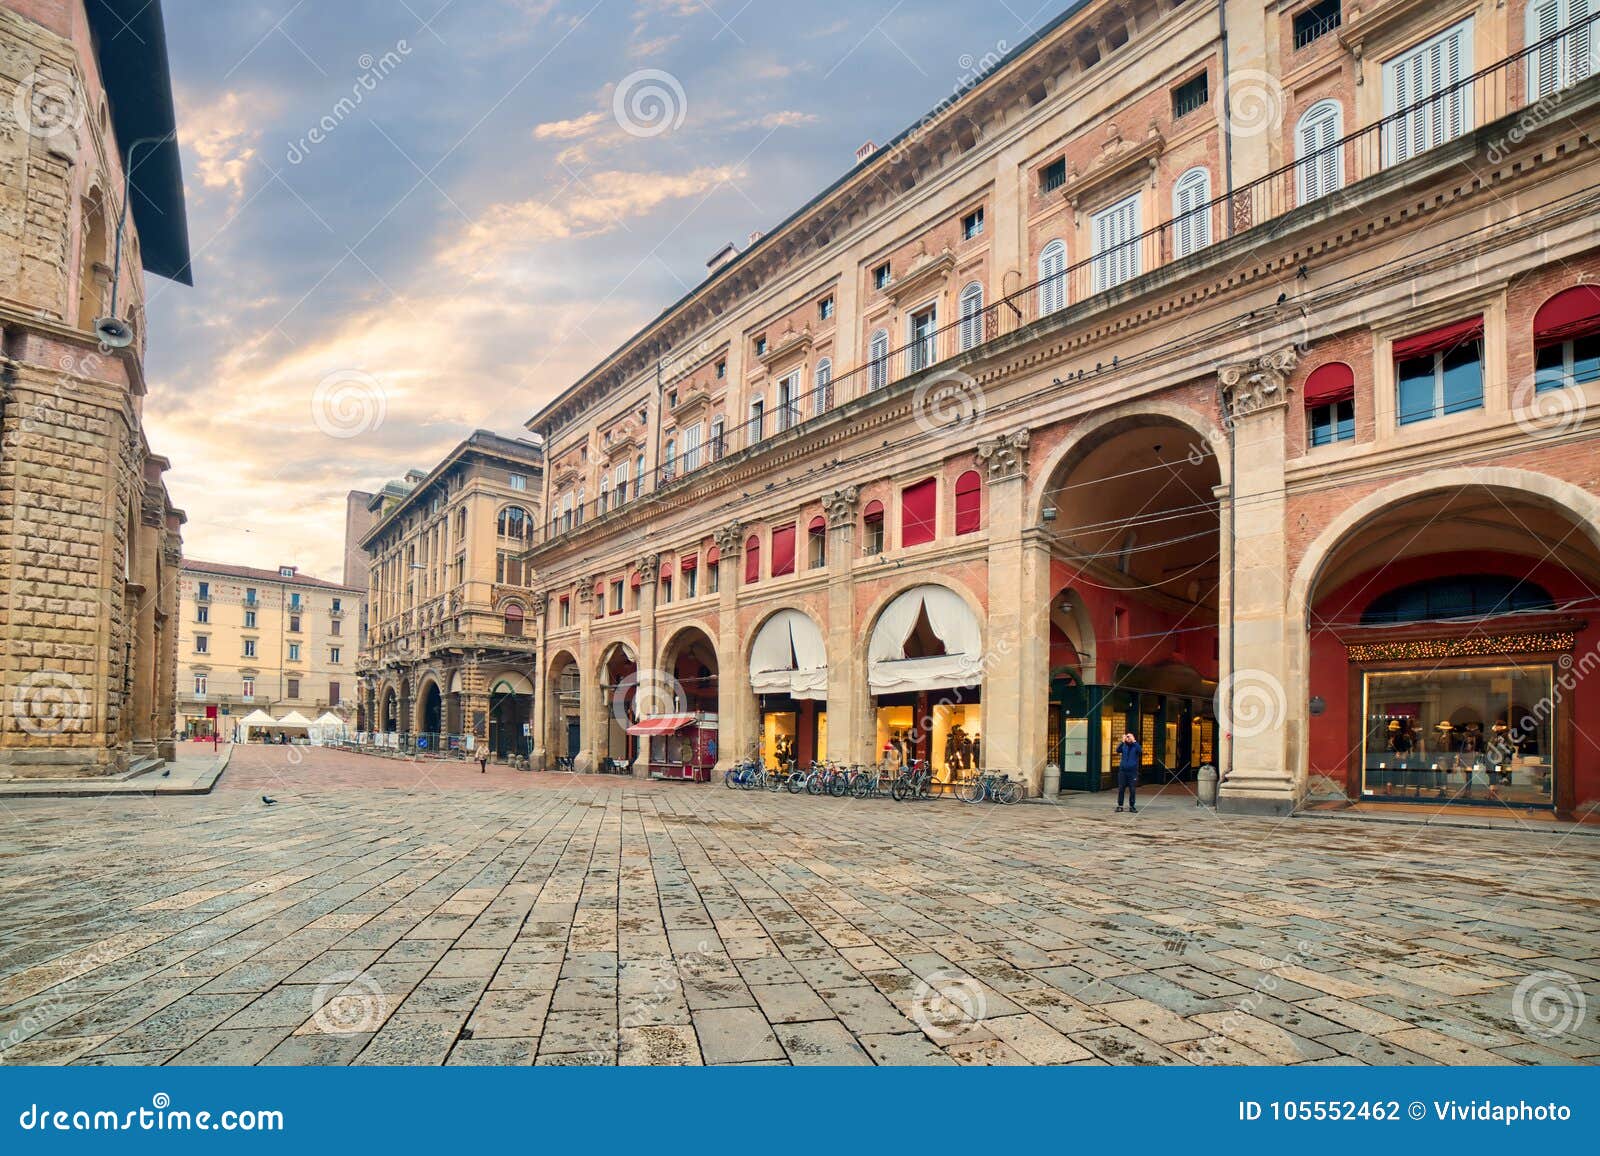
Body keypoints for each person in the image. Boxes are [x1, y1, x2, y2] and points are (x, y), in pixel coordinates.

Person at [1115, 731, 1141, 813]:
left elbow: (1140, 751)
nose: (1128, 738)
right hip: (1123, 771)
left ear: (1133, 738)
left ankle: (1132, 806)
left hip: (1132, 772)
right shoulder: (1124, 746)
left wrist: (1134, 741)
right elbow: (1117, 750)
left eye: (1130, 736)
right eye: (1127, 737)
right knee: (1121, 788)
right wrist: (1122, 741)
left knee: (1132, 789)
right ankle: (1120, 805)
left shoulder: (1135, 746)